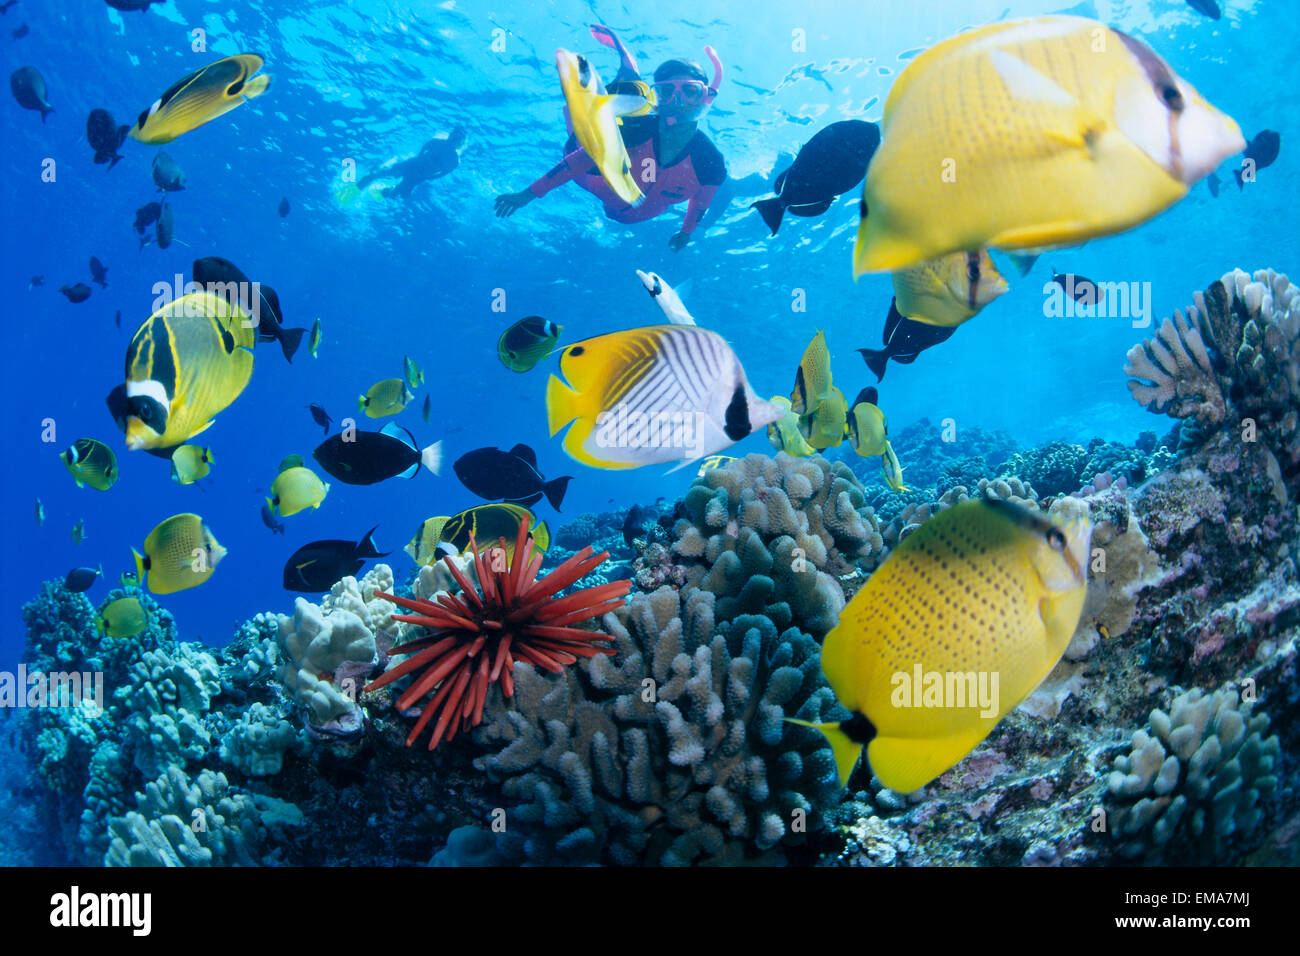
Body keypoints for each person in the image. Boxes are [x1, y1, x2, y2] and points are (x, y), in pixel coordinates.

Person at [495, 29, 726, 251]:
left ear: (705, 97)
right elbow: (578, 162)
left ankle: (629, 82)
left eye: (690, 91)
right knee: (590, 126)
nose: (678, 100)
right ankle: (622, 81)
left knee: (615, 115)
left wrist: (686, 233)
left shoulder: (711, 163)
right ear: (658, 98)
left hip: (636, 210)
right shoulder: (633, 132)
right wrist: (527, 194)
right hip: (592, 179)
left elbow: (700, 203)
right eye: (667, 92)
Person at [357, 127, 466, 198]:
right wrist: (419, 161)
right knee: (381, 173)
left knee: (398, 193)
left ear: (460, 144)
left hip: (419, 176)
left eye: (458, 139)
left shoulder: (454, 161)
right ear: (450, 135)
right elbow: (423, 150)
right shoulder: (436, 142)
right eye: (454, 136)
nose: (454, 140)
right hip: (411, 165)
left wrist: (427, 177)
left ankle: (381, 192)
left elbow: (442, 174)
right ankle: (363, 182)